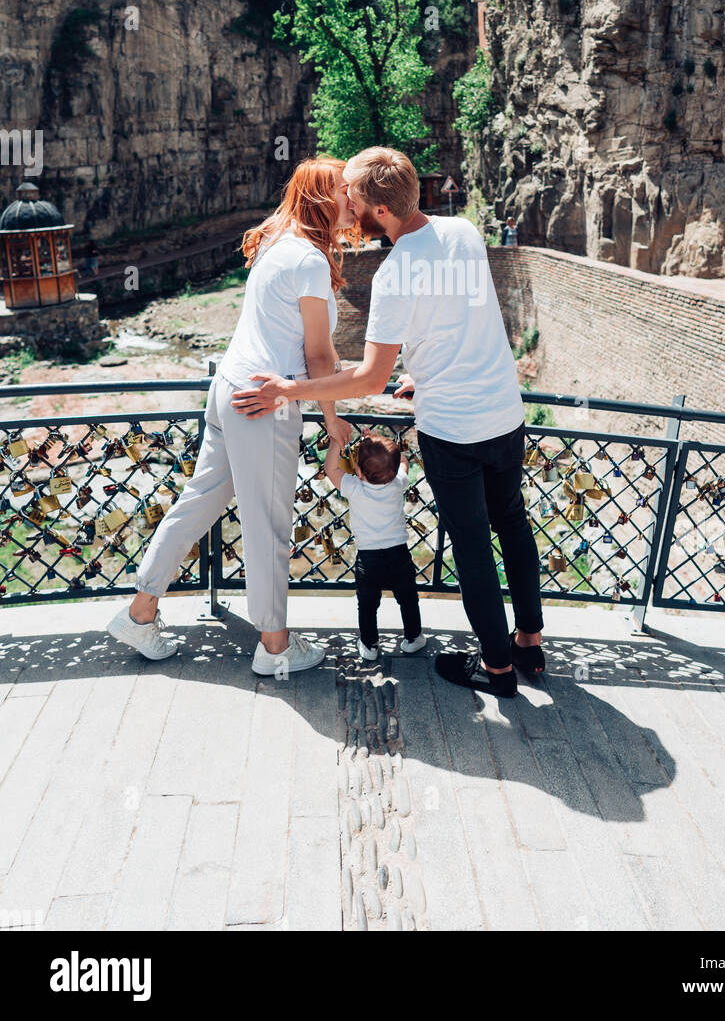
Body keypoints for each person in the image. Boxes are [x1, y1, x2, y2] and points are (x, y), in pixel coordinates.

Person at [231, 147, 544, 698]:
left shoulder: (395, 272)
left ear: (377, 210)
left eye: (350, 193)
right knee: (513, 527)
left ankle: (496, 671)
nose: (344, 201)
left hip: (453, 429)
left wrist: (289, 389)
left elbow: (372, 379)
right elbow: (461, 318)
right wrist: (425, 369)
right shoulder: (465, 232)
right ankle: (528, 646)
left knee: (472, 546)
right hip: (505, 412)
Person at [107, 158, 355, 676]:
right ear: (322, 200)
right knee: (268, 526)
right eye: (344, 190)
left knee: (197, 504)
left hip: (229, 389)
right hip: (265, 402)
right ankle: (275, 647)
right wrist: (333, 419)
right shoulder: (308, 258)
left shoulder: (276, 242)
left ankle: (140, 611)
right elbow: (317, 355)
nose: (353, 199)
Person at [324, 428, 426, 662]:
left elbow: (331, 469)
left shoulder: (355, 488)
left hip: (368, 560)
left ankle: (369, 645)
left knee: (368, 605)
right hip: (399, 555)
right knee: (408, 599)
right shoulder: (398, 482)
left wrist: (335, 441)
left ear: (358, 471)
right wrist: (378, 443)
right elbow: (402, 461)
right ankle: (413, 638)